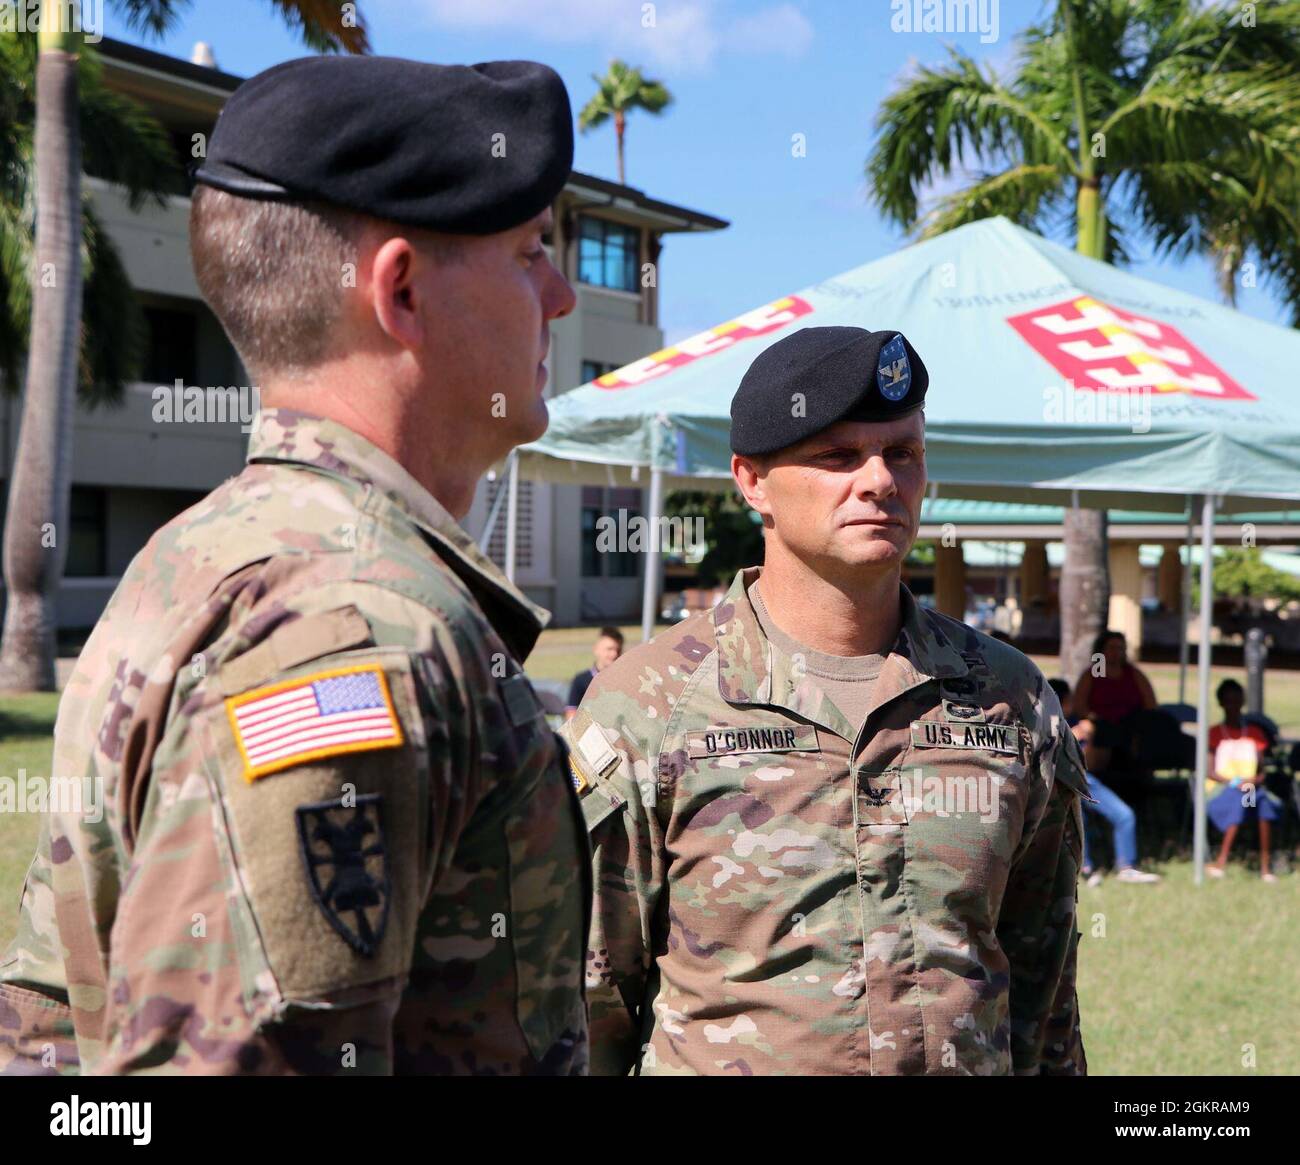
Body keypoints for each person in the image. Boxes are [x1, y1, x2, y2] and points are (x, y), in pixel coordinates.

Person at [0, 56, 590, 1075]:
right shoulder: (357, 630)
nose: (565, 295)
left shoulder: (196, 557)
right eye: (532, 250)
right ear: (400, 290)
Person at [564, 325, 1091, 1076]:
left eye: (902, 453)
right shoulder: (647, 705)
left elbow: (1043, 991)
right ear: (751, 481)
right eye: (839, 456)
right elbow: (588, 1005)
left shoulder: (1009, 700)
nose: (880, 480)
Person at [1047, 679, 1160, 886]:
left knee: (1124, 815)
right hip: (1056, 782)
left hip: (1084, 779)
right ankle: (1085, 869)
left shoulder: (1078, 721)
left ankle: (1126, 867)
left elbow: (1092, 763)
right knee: (1076, 820)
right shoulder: (1041, 723)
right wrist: (1070, 737)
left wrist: (1087, 740)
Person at [1206, 679, 1283, 882]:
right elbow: (1210, 772)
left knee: (1262, 802)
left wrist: (1252, 781)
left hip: (1250, 790)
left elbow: (1261, 772)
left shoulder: (1255, 734)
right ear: (1221, 704)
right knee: (1244, 798)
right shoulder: (1214, 734)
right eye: (1229, 702)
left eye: (1237, 701)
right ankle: (1221, 861)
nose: (1234, 707)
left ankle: (1265, 868)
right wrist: (1235, 782)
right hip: (1222, 789)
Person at [1071, 630, 1157, 786]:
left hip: (1131, 726)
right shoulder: (1095, 673)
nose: (1116, 652)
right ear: (1101, 650)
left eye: (1120, 648)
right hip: (1101, 725)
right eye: (1111, 648)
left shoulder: (1133, 674)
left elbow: (1151, 705)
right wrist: (1094, 718)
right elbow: (1080, 705)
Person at [565, 627, 624, 718]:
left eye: (618, 650)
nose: (614, 654)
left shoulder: (625, 679)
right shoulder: (581, 681)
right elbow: (571, 714)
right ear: (596, 650)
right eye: (609, 649)